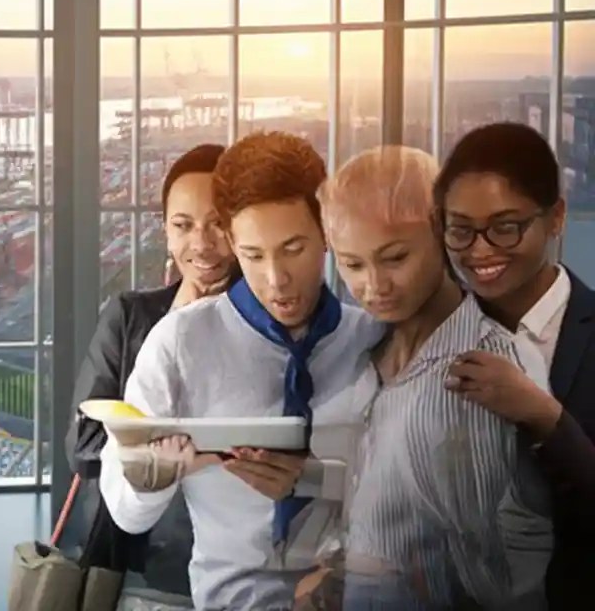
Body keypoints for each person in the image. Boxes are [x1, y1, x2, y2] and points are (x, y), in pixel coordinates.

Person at [99, 131, 385, 610]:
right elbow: (125, 514)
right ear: (232, 242)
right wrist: (151, 478)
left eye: (293, 248)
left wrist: (313, 480)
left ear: (328, 233)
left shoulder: (373, 340)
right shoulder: (179, 344)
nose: (276, 279)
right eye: (252, 255)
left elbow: (416, 500)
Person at [320, 145, 551, 609]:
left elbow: (489, 566)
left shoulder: (480, 369)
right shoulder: (362, 351)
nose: (373, 286)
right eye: (352, 264)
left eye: (395, 258)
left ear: (443, 236)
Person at [434, 122, 595, 609]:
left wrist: (544, 416)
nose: (480, 250)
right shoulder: (431, 339)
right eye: (461, 230)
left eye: (505, 227)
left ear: (556, 218)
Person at [65, 143, 236, 595]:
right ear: (165, 230)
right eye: (183, 226)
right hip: (132, 562)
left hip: (231, 562)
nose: (201, 244)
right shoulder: (130, 318)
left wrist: (156, 445)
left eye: (219, 223)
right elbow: (82, 448)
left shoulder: (269, 329)